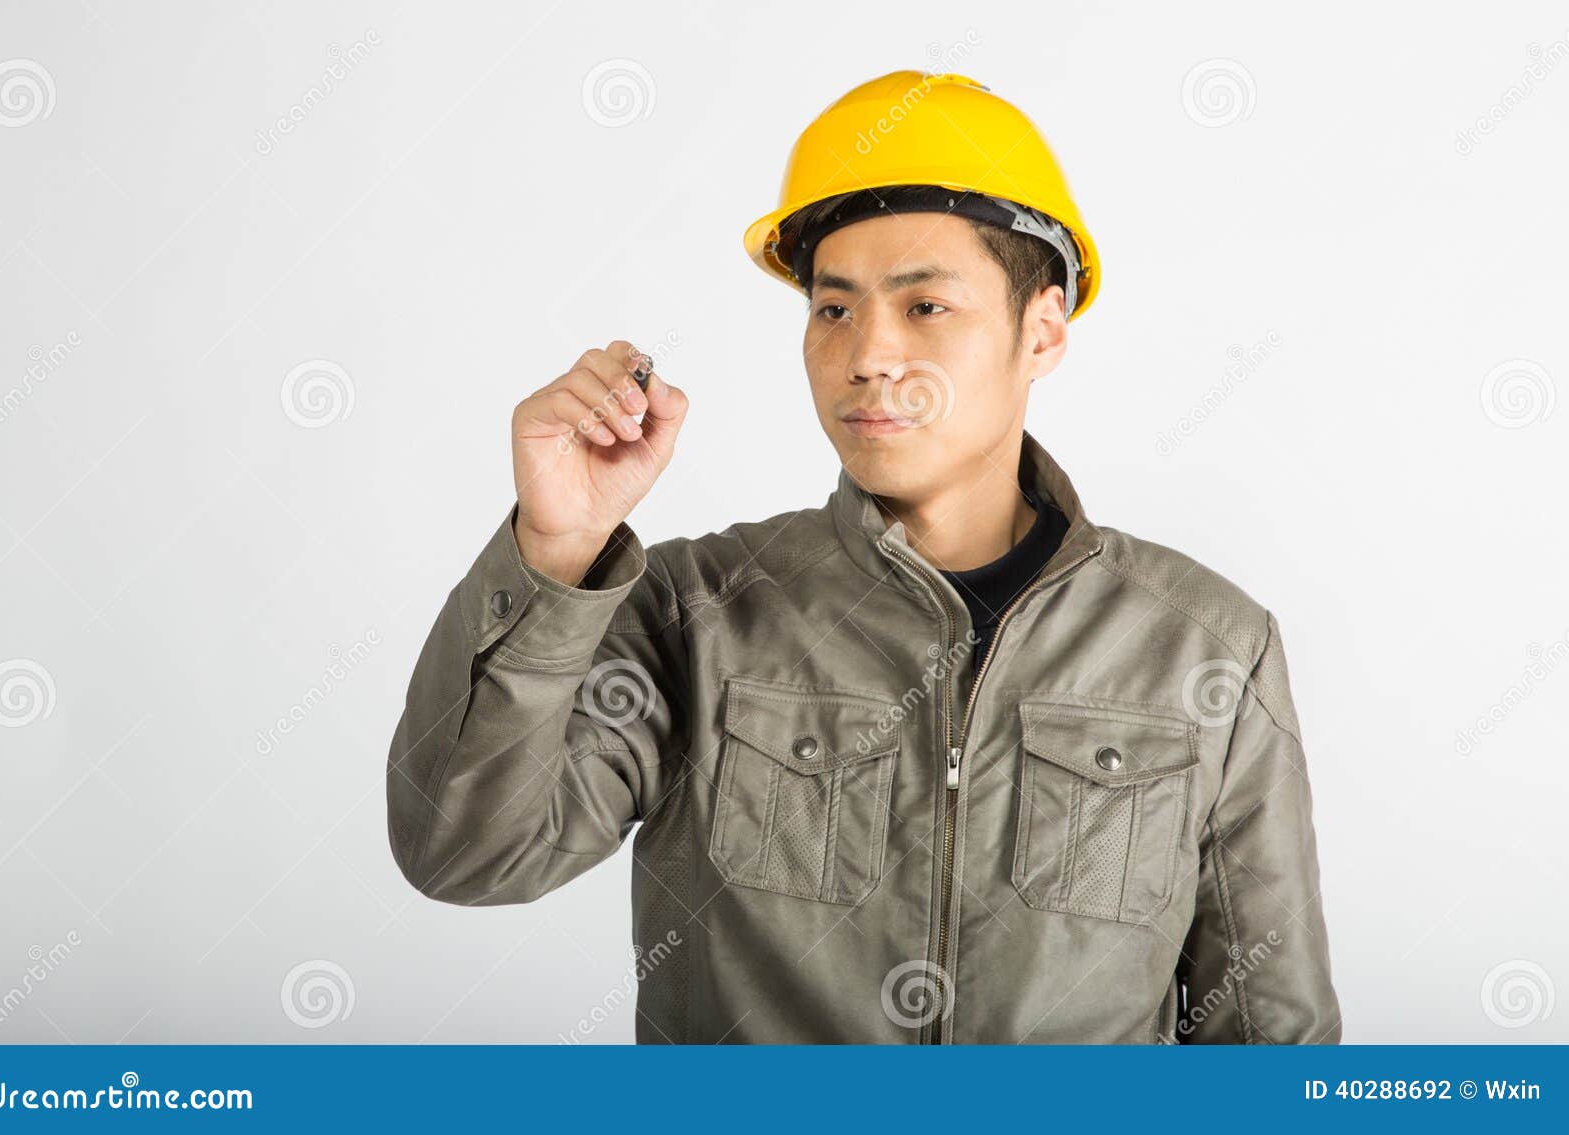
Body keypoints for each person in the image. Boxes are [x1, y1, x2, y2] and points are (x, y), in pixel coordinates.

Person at [385, 69, 1342, 1044]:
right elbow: (461, 853)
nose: (867, 355)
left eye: (925, 306)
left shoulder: (1203, 644)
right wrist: (553, 552)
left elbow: (1267, 1041)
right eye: (834, 309)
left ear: (1041, 330)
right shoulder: (696, 612)